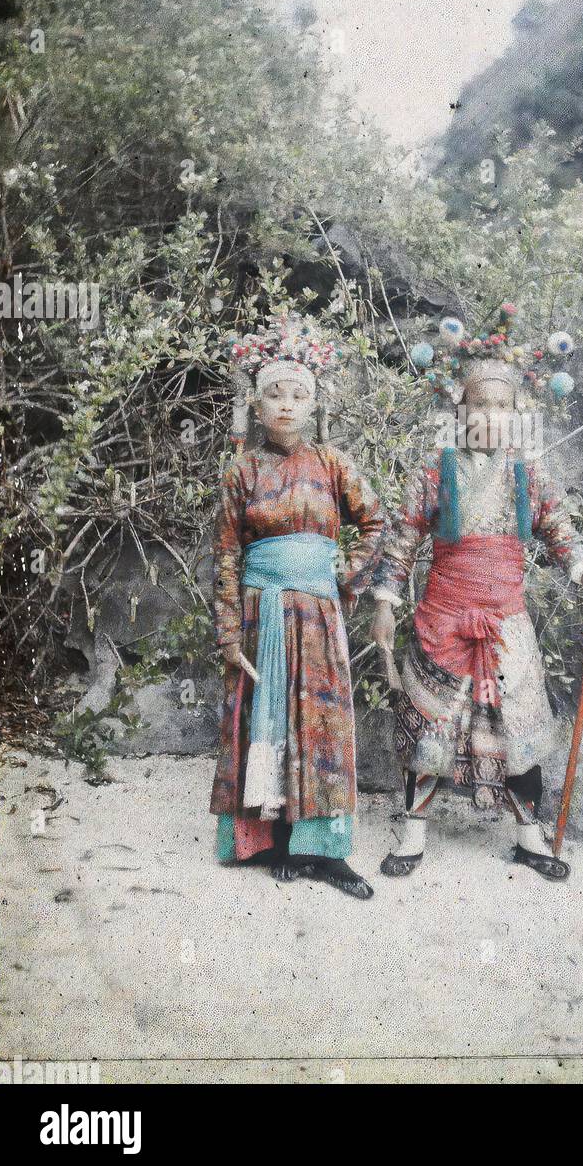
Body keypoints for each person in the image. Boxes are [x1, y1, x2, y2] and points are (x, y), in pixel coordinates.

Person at [370, 313, 583, 881]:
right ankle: (413, 831)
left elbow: (559, 531)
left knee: (517, 731)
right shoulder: (435, 470)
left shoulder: (530, 472)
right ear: (461, 410)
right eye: (480, 405)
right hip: (443, 617)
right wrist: (384, 601)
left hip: (507, 622)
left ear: (517, 414)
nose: (490, 417)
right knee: (430, 727)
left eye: (502, 407)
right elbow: (402, 539)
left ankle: (529, 835)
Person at [210, 313, 384, 900]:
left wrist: (343, 571)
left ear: (313, 406)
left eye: (298, 395)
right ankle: (276, 841)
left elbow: (375, 524)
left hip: (317, 613)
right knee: (269, 719)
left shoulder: (334, 465)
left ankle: (325, 850)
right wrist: (229, 636)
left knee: (322, 723)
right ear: (257, 407)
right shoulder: (241, 470)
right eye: (274, 396)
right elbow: (228, 555)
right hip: (261, 614)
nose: (286, 406)